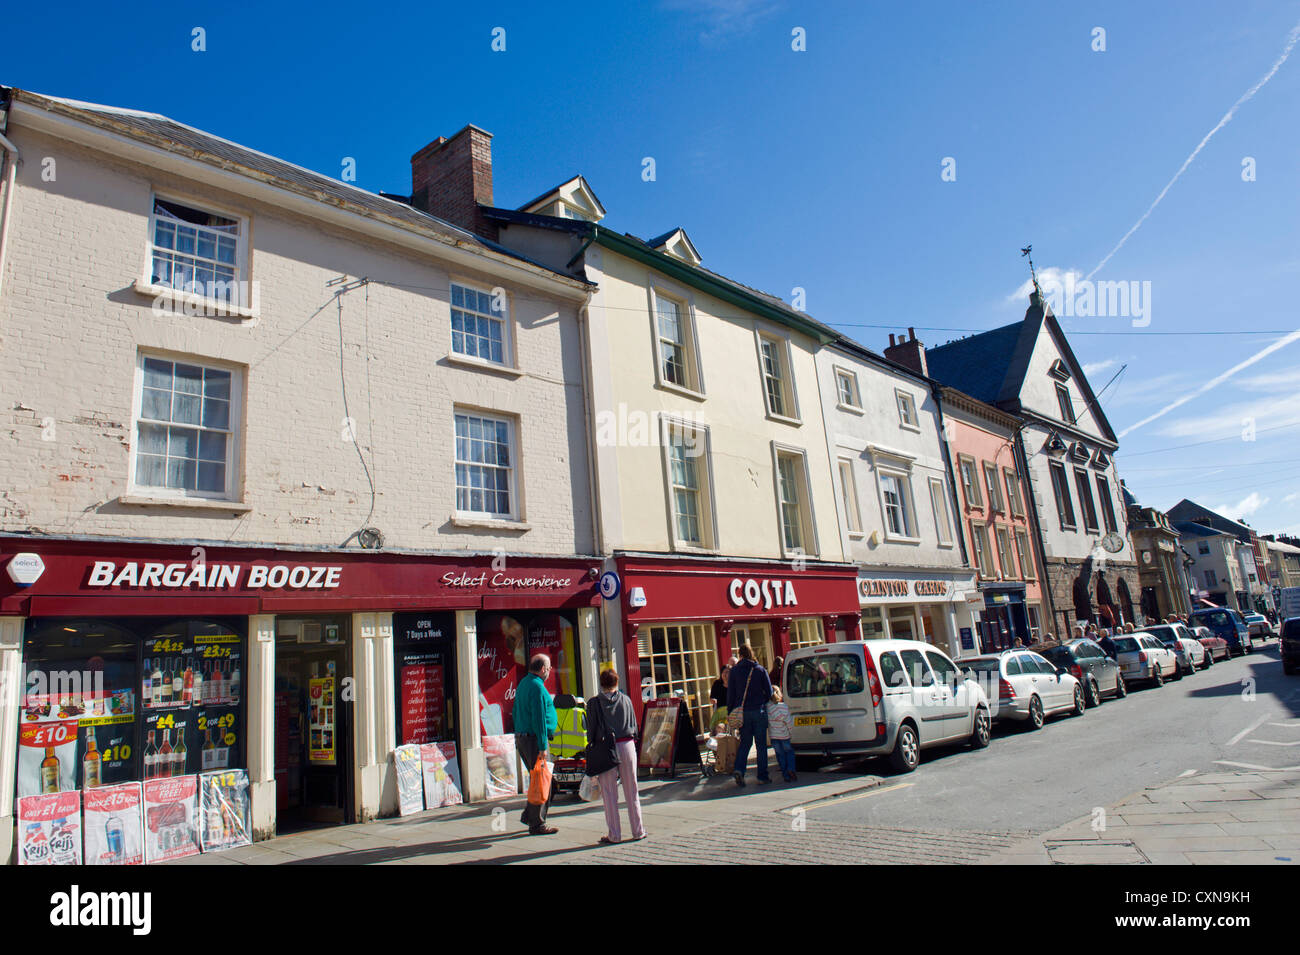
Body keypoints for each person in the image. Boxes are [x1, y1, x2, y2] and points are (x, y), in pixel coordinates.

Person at [587, 668, 645, 845]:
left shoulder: (594, 703)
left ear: (601, 683)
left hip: (606, 747)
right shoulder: (626, 699)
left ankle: (614, 834)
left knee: (609, 793)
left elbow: (591, 729)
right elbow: (634, 725)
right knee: (632, 789)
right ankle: (638, 830)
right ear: (616, 683)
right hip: (627, 745)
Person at [513, 654, 558, 835]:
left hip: (523, 738)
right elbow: (538, 718)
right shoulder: (538, 688)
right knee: (544, 781)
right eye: (548, 668)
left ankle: (529, 815)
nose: (549, 672)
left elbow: (516, 712)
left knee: (537, 778)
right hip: (534, 740)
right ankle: (537, 823)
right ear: (542, 669)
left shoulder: (524, 683)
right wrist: (542, 746)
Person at [727, 643, 773, 787]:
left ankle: (739, 770)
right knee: (761, 746)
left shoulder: (734, 672)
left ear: (739, 655)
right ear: (751, 653)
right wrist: (762, 701)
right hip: (758, 710)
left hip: (743, 713)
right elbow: (770, 692)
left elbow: (731, 695)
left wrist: (731, 712)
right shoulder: (759, 670)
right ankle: (762, 776)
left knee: (745, 744)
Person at [767, 687, 795, 782]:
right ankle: (791, 769)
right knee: (789, 752)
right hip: (784, 735)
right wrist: (790, 733)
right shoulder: (784, 706)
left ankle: (785, 775)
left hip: (774, 736)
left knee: (780, 756)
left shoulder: (768, 707)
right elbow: (788, 722)